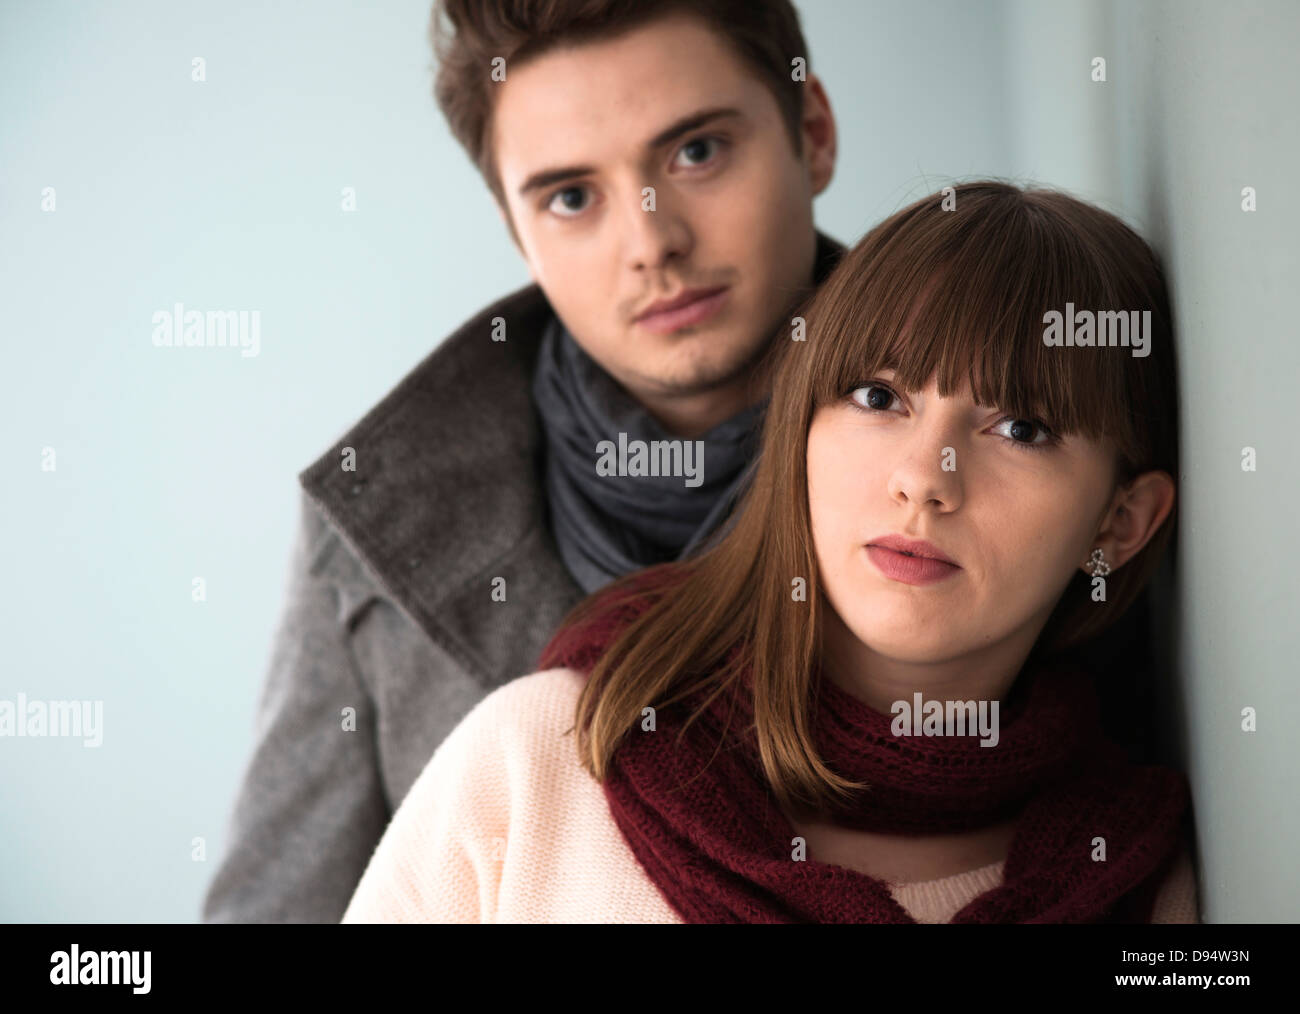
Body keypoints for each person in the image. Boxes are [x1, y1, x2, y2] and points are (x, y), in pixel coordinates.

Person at [340, 180, 1199, 923]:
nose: (923, 480)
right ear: (801, 427)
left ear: (1120, 523)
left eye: (1022, 427)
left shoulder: (1132, 877)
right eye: (877, 396)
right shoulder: (538, 761)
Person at [202, 0, 841, 922]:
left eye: (695, 152)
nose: (651, 242)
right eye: (572, 197)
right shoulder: (373, 527)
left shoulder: (991, 451)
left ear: (810, 134)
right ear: (517, 230)